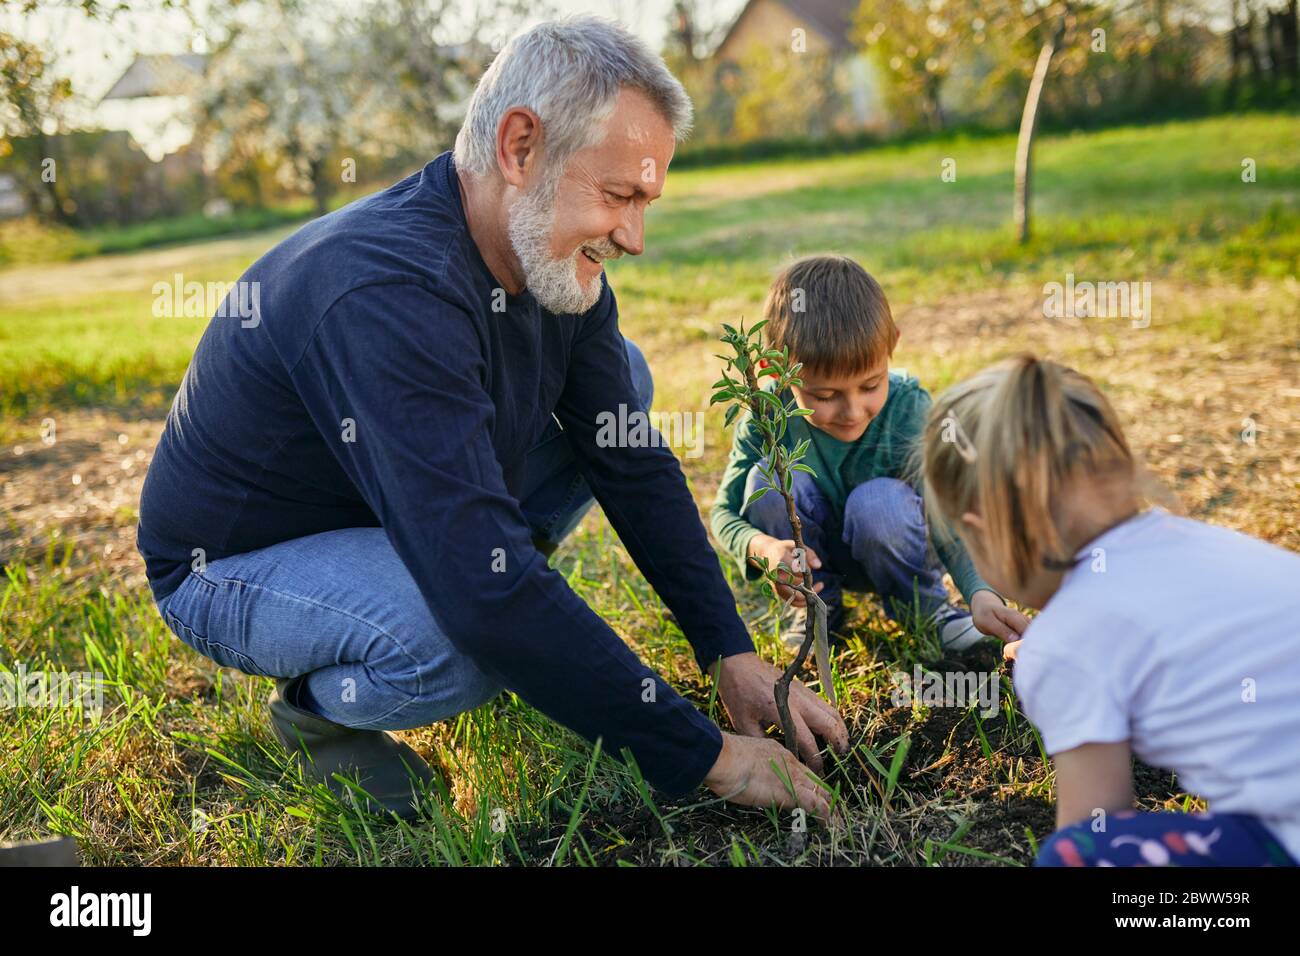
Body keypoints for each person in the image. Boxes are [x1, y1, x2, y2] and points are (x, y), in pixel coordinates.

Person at [136, 16, 847, 821]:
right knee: (463, 639)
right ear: (520, 148)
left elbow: (631, 463)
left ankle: (511, 604)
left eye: (645, 201)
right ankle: (315, 717)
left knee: (623, 393)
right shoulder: (387, 296)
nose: (634, 237)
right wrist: (709, 759)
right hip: (233, 564)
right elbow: (478, 595)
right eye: (618, 195)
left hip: (382, 508)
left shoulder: (545, 262)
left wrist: (728, 648)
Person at [920, 354, 1300, 866]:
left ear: (982, 531)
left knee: (1074, 855)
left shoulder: (1066, 646)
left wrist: (1057, 669)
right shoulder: (1197, 544)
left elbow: (1097, 817)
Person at [709, 254, 1029, 651]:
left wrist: (981, 591)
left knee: (877, 502)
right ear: (775, 370)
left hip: (894, 542)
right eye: (824, 396)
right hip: (813, 561)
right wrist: (765, 548)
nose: (853, 411)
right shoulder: (767, 416)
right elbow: (723, 515)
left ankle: (925, 611)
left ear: (892, 343)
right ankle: (817, 610)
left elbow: (948, 511)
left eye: (871, 385)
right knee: (769, 481)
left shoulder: (908, 409)